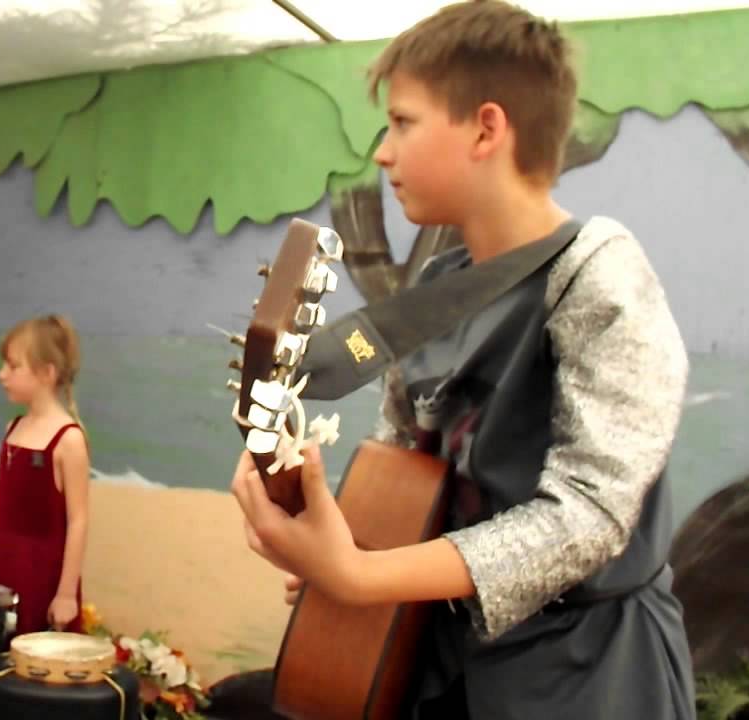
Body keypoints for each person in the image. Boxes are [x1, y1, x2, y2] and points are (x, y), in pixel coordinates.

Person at [230, 2, 695, 718]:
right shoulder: (432, 287)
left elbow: (590, 514)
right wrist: (334, 544)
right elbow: (400, 463)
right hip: (439, 668)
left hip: (584, 678)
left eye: (403, 122)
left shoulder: (597, 271)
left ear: (486, 128)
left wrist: (362, 575)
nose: (382, 151)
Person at [0, 314, 90, 636]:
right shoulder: (13, 428)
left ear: (47, 374)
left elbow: (78, 520)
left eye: (13, 367)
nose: (2, 375)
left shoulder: (68, 439)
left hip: (39, 573)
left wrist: (66, 593)